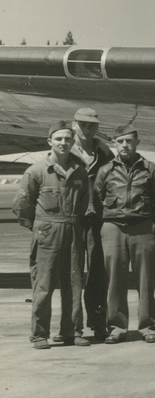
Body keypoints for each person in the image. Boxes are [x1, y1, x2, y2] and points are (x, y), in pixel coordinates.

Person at [15, 121, 91, 348]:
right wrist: (39, 227)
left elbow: (84, 201)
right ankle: (40, 334)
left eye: (67, 139)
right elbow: (22, 205)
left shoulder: (79, 171)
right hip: (47, 232)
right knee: (44, 284)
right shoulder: (36, 171)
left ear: (73, 141)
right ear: (50, 142)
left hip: (73, 230)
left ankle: (72, 331)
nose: (63, 143)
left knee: (74, 283)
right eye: (58, 139)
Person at [89, 124, 155, 344]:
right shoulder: (106, 170)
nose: (125, 145)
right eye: (120, 141)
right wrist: (111, 219)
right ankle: (117, 327)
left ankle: (148, 326)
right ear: (114, 143)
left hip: (143, 227)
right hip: (113, 228)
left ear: (137, 143)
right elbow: (97, 200)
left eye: (129, 141)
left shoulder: (150, 169)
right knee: (115, 279)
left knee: (146, 279)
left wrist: (147, 222)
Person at [70, 108, 113, 343]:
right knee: (73, 274)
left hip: (97, 220)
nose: (87, 129)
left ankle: (98, 323)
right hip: (73, 220)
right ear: (74, 125)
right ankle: (72, 328)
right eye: (83, 124)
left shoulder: (104, 153)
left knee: (98, 273)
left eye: (92, 125)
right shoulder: (65, 150)